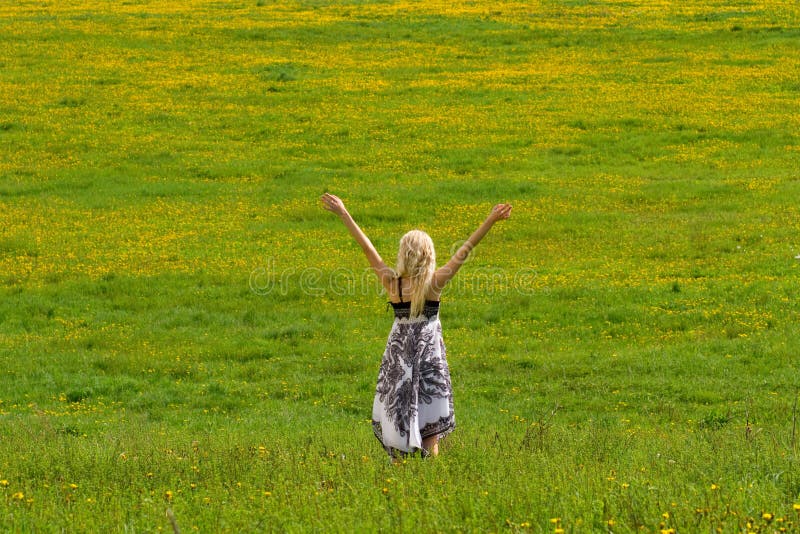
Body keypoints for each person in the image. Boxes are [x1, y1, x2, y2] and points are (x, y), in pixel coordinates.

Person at [321, 193, 512, 459]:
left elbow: (367, 249)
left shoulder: (392, 283)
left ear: (404, 254)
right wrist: (490, 219)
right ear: (428, 254)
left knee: (398, 416)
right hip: (428, 361)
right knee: (431, 426)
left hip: (398, 359)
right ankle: (430, 481)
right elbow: (464, 250)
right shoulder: (434, 284)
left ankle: (399, 479)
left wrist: (344, 213)